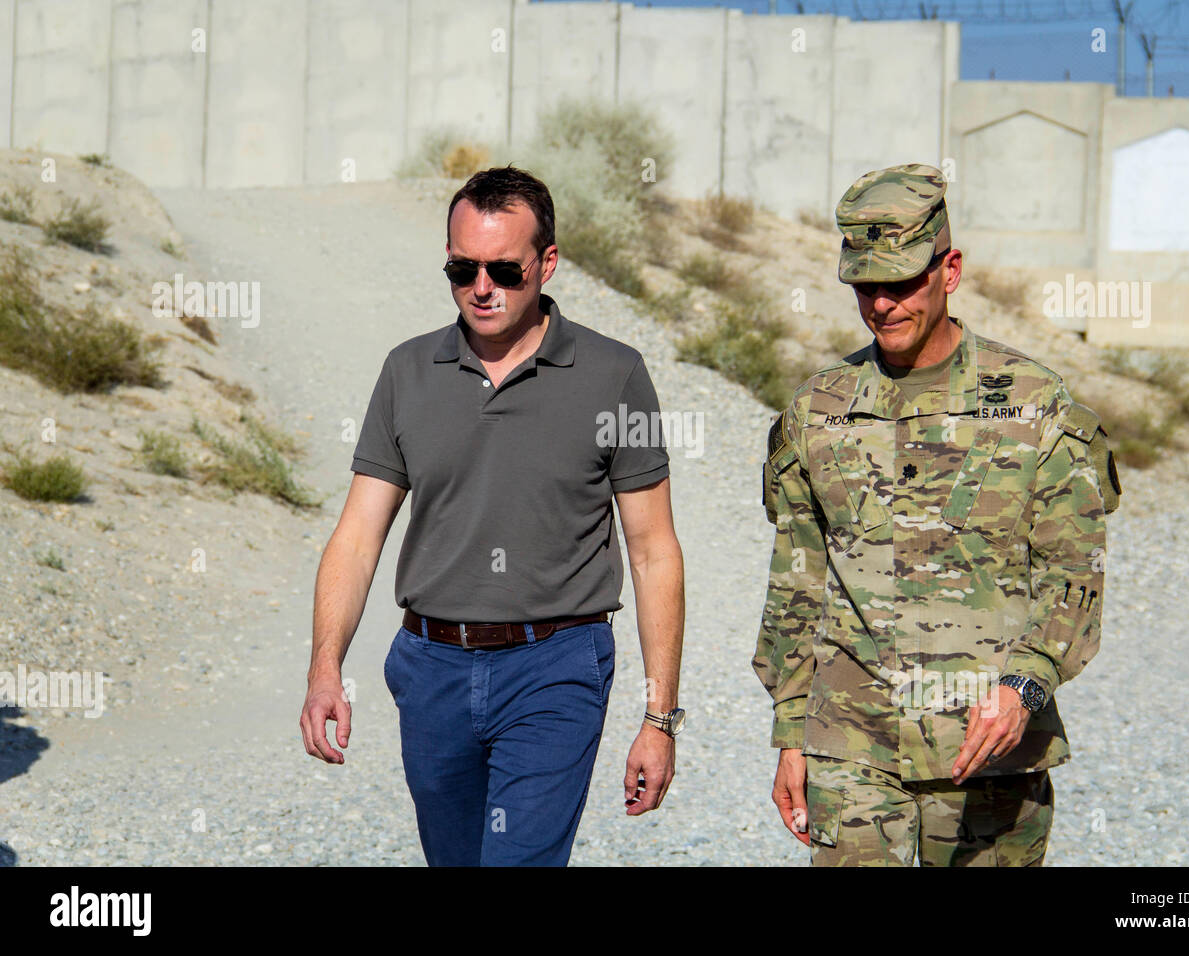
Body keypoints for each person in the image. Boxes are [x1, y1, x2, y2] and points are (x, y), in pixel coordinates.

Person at [300, 165, 686, 866]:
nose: (482, 288)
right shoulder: (406, 372)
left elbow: (654, 549)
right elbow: (357, 538)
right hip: (430, 669)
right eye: (462, 268)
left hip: (556, 667)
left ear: (548, 263)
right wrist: (325, 667)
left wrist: (659, 717)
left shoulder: (615, 376)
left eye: (505, 270)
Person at [753, 163, 1120, 866]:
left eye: (902, 284)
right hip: (853, 745)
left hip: (991, 752)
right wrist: (791, 730)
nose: (883, 305)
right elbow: (795, 587)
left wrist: (1025, 683)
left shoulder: (1034, 405)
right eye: (866, 287)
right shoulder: (817, 412)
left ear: (950, 270)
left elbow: (1076, 572)